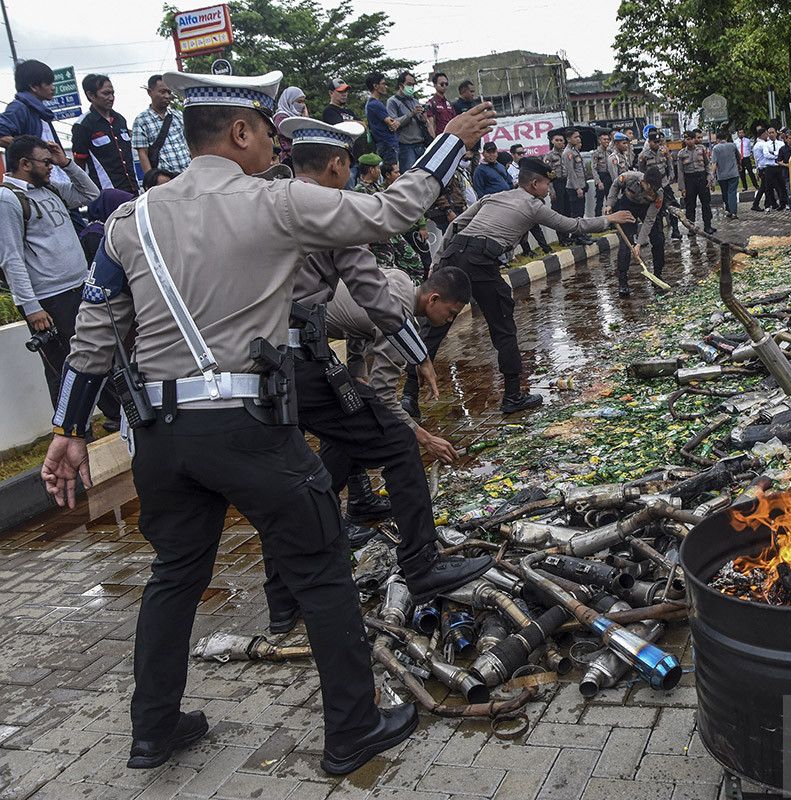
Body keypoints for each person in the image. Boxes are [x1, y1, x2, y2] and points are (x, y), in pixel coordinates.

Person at [38, 68, 495, 776]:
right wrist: (450, 141)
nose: (275, 151)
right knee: (321, 568)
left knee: (173, 578)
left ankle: (153, 731)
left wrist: (67, 431)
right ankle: (353, 729)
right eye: (266, 136)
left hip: (159, 437)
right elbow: (391, 213)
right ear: (242, 131)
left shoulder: (131, 218)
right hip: (246, 428)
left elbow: (94, 334)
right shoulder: (276, 203)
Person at [270, 114, 493, 632]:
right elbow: (390, 218)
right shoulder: (312, 206)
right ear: (338, 165)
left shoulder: (259, 202)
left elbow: (370, 290)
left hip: (261, 367)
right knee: (393, 438)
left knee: (280, 484)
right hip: (293, 362)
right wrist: (449, 143)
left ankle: (283, 602)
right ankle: (421, 565)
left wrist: (420, 355)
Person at [402, 158, 634, 416]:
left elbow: (457, 225)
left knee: (433, 329)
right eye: (547, 184)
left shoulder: (494, 197)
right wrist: (609, 219)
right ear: (534, 184)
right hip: (481, 262)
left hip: (454, 255)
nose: (548, 189)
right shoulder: (533, 205)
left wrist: (437, 262)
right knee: (503, 327)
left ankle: (408, 396)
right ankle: (512, 395)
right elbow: (571, 225)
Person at [0, 134, 117, 426]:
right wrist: (31, 307)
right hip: (50, 299)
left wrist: (67, 163)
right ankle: (71, 432)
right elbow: (11, 258)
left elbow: (91, 194)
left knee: (98, 356)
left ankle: (117, 418)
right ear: (25, 164)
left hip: (80, 286)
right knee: (64, 369)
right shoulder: (9, 200)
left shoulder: (49, 187)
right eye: (46, 162)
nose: (51, 166)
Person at [325, 267, 469, 464]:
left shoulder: (400, 277)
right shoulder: (397, 323)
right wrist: (425, 439)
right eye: (451, 313)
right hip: (296, 333)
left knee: (350, 411)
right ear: (433, 299)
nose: (450, 320)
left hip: (299, 310)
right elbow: (383, 395)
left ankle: (357, 490)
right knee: (384, 429)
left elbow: (359, 320)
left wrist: (356, 369)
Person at [71, 74, 139, 195]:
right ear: (91, 95)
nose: (111, 98)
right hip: (107, 193)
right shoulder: (82, 125)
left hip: (132, 188)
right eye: (106, 93)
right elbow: (79, 164)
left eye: (113, 93)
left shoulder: (120, 120)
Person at [607, 166, 665, 297]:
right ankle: (623, 282)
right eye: (650, 189)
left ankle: (657, 275)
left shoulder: (659, 193)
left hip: (646, 209)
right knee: (625, 244)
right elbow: (615, 185)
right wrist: (610, 204)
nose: (652, 192)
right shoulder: (629, 177)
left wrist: (639, 243)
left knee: (658, 239)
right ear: (645, 182)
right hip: (628, 205)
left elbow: (649, 220)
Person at [0, 61, 64, 167]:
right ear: (34, 86)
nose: (53, 87)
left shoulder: (40, 111)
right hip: (33, 179)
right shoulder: (19, 108)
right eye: (48, 83)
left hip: (51, 178)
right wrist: (33, 152)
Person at [130, 75, 192, 177]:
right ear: (150, 92)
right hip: (165, 180)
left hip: (187, 174)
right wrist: (152, 180)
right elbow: (143, 153)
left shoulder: (178, 115)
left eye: (169, 92)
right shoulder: (141, 120)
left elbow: (189, 142)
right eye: (162, 92)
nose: (167, 96)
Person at [507, 144, 552, 256]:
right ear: (512, 155)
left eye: (523, 153)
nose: (522, 155)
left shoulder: (528, 167)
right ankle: (527, 251)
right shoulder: (509, 169)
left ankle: (546, 248)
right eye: (519, 153)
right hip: (519, 201)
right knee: (523, 229)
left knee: (536, 227)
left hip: (532, 199)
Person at [637, 132, 682, 239]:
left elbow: (669, 163)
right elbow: (642, 171)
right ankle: (659, 233)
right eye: (655, 142)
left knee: (673, 206)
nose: (657, 144)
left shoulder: (664, 151)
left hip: (665, 183)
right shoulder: (643, 155)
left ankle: (675, 230)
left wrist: (671, 175)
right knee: (657, 210)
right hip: (653, 187)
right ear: (649, 142)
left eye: (659, 142)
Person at [387, 71, 430, 172]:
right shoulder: (392, 101)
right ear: (401, 86)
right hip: (406, 147)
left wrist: (423, 119)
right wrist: (411, 114)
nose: (411, 87)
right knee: (409, 177)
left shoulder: (414, 101)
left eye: (413, 85)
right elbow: (394, 123)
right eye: (409, 84)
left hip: (420, 144)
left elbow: (421, 121)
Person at [678, 129, 715, 234]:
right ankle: (691, 228)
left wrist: (710, 179)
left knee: (706, 203)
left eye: (691, 139)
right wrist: (682, 188)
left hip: (702, 178)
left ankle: (708, 226)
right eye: (687, 139)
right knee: (690, 205)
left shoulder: (701, 149)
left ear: (695, 139)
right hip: (689, 180)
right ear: (685, 140)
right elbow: (680, 172)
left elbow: (707, 165)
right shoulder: (681, 154)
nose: (689, 141)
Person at [562, 129, 591, 243]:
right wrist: (577, 188)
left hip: (581, 185)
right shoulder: (568, 153)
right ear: (569, 139)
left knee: (581, 212)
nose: (578, 139)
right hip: (574, 187)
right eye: (575, 137)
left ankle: (581, 233)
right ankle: (577, 236)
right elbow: (571, 172)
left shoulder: (575, 151)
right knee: (576, 213)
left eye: (579, 136)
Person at [365, 72, 400, 164]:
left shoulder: (371, 103)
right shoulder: (375, 104)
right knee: (392, 172)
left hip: (385, 144)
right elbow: (392, 123)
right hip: (387, 145)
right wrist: (395, 123)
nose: (386, 86)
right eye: (383, 84)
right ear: (375, 86)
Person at [752, 128, 785, 211]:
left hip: (762, 167)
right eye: (767, 133)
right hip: (766, 167)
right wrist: (777, 156)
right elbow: (767, 154)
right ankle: (760, 204)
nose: (769, 135)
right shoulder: (762, 144)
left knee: (767, 187)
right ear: (763, 134)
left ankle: (772, 203)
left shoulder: (757, 144)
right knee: (767, 187)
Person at [272, 86, 307, 163]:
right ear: (289, 101)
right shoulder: (280, 117)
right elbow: (295, 134)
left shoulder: (295, 116)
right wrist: (305, 120)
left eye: (303, 102)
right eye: (299, 102)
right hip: (287, 159)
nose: (303, 105)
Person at [712, 130, 740, 219]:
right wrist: (739, 165)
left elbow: (714, 163)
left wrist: (712, 175)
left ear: (717, 139)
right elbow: (738, 156)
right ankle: (733, 212)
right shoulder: (732, 145)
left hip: (722, 175)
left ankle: (728, 210)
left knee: (725, 193)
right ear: (726, 138)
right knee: (732, 193)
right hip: (733, 173)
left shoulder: (716, 148)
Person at [543, 132, 568, 217]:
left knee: (568, 208)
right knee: (558, 209)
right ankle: (560, 230)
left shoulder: (567, 153)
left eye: (561, 140)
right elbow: (547, 173)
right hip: (556, 183)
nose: (559, 142)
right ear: (552, 141)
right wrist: (551, 189)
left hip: (567, 182)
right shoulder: (549, 156)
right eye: (556, 140)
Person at [592, 131, 612, 217]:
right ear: (600, 141)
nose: (606, 141)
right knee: (599, 200)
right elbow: (594, 168)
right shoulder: (596, 153)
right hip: (601, 176)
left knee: (610, 199)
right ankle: (598, 220)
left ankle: (611, 221)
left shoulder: (610, 152)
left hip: (609, 176)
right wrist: (598, 181)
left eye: (608, 139)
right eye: (604, 139)